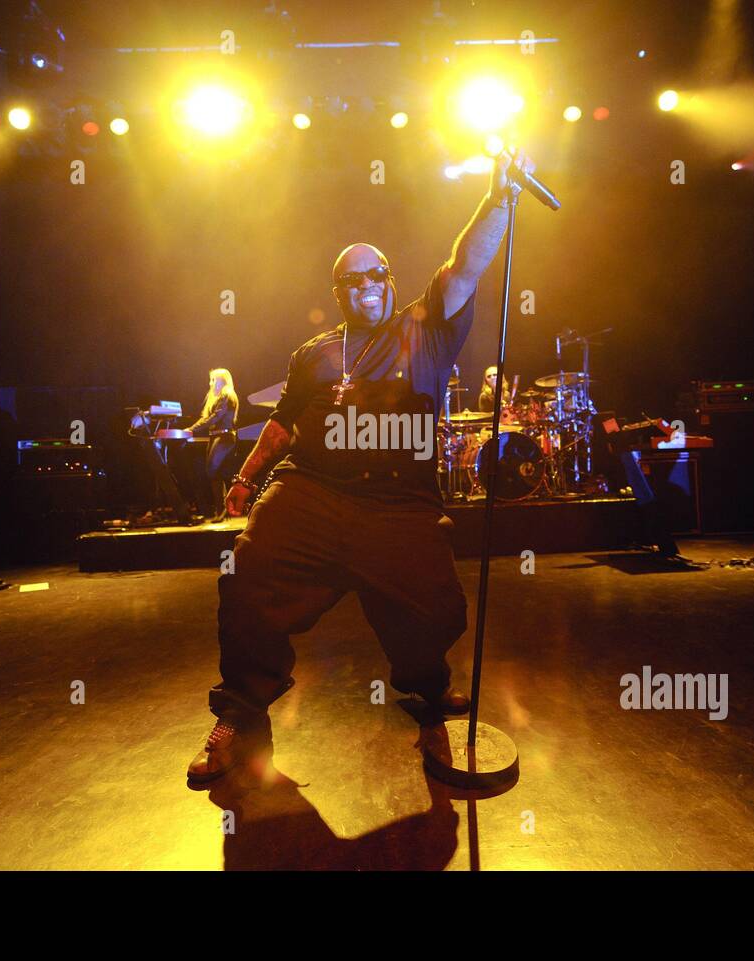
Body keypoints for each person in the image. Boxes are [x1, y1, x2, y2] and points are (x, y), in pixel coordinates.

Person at [187, 150, 536, 783]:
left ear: (391, 281)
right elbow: (283, 422)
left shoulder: (425, 330)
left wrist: (498, 200)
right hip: (311, 490)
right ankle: (241, 715)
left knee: (435, 609)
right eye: (350, 281)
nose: (364, 286)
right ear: (338, 292)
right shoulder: (315, 354)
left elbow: (465, 266)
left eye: (374, 275)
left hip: (400, 503)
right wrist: (245, 477)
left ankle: (428, 691)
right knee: (246, 576)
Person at [185, 368, 239, 521]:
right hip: (216, 436)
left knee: (214, 473)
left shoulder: (227, 395)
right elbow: (208, 418)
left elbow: (215, 417)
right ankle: (222, 509)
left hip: (224, 437)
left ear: (222, 380)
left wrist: (191, 429)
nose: (211, 382)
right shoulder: (217, 397)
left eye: (214, 379)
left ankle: (222, 510)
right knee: (214, 474)